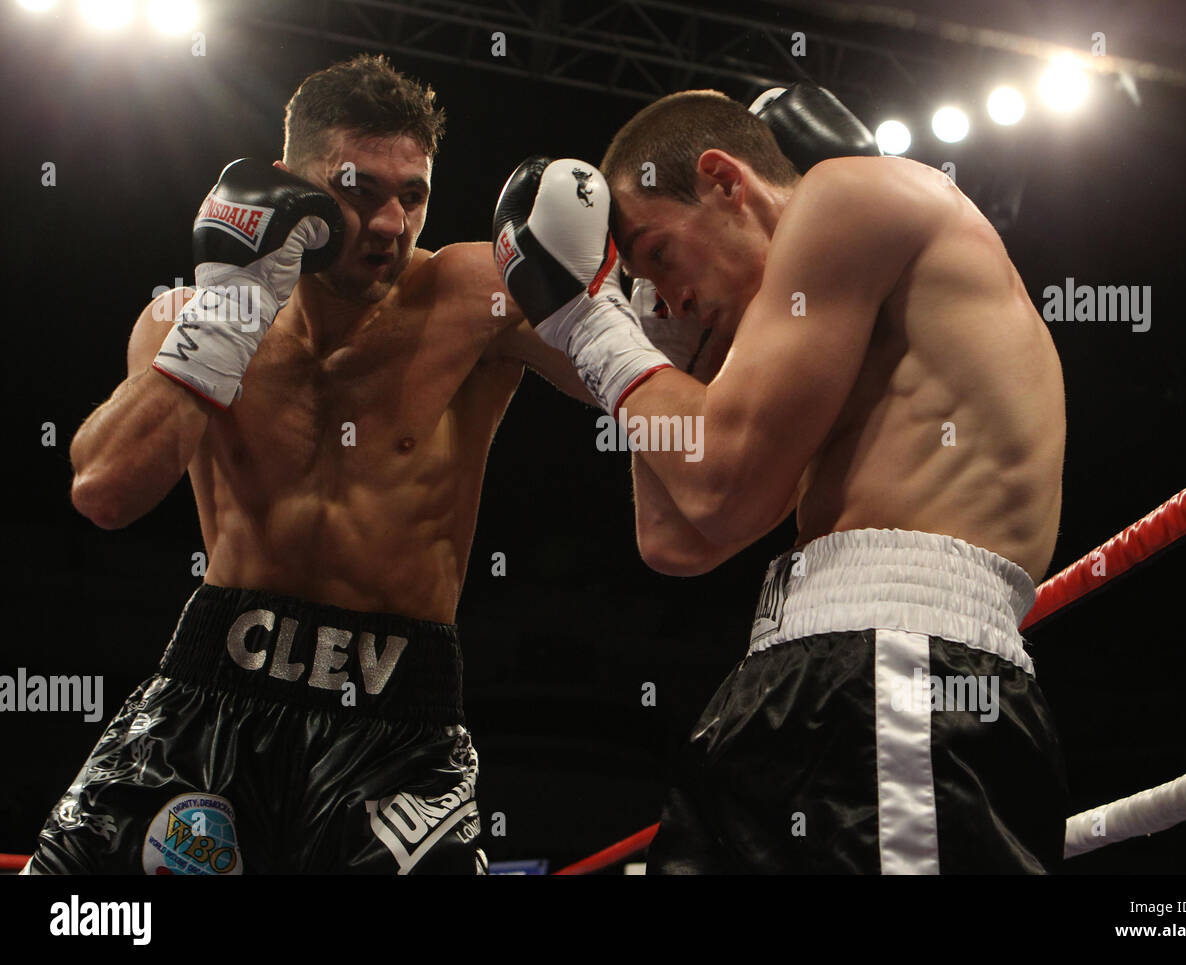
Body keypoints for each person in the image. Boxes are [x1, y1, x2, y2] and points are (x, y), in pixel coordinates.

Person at [27, 53, 585, 875]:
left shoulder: (477, 295)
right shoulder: (188, 314)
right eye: (359, 191)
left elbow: (664, 374)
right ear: (288, 184)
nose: (392, 223)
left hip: (400, 719)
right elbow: (105, 489)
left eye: (413, 194)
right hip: (210, 695)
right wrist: (228, 315)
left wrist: (602, 284)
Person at [492, 85, 1069, 873]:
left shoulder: (850, 192)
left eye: (661, 256)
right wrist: (654, 333)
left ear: (726, 180)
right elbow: (675, 538)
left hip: (902, 669)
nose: (673, 293)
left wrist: (591, 328)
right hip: (801, 673)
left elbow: (720, 485)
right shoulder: (823, 344)